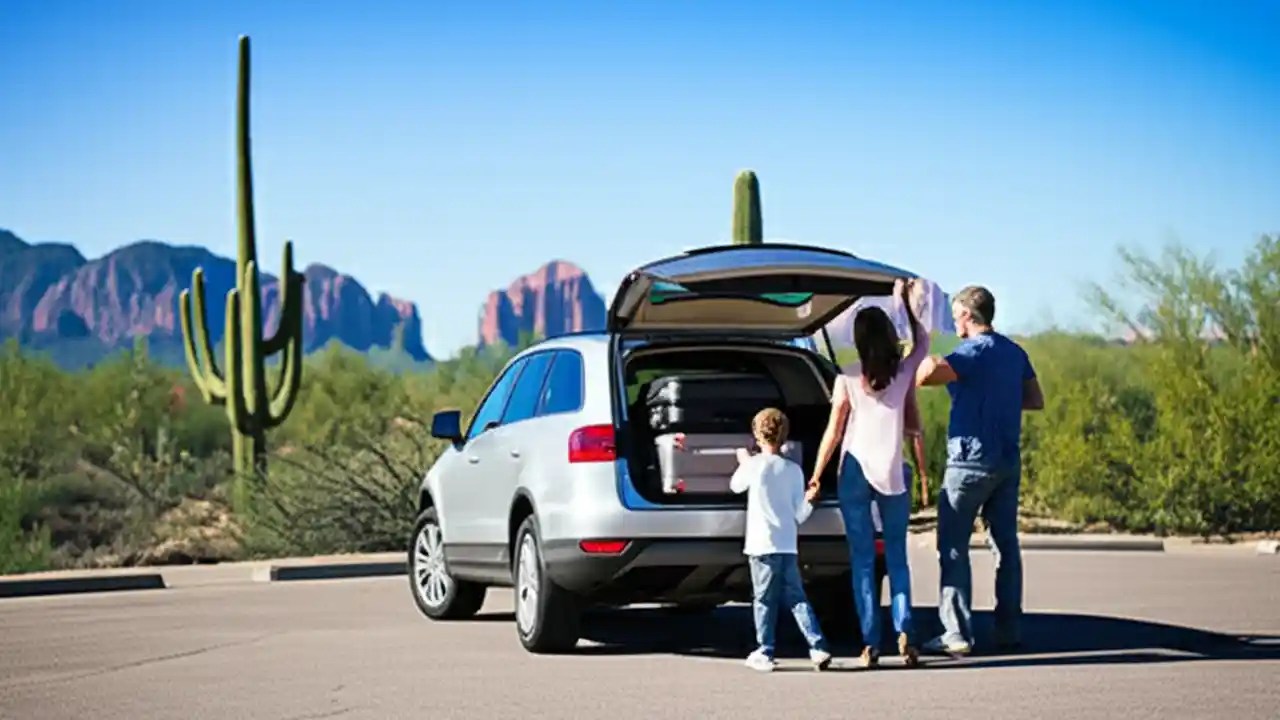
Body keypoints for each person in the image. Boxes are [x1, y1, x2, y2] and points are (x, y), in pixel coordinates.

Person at [915, 285, 1044, 656]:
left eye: (956, 316)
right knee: (1005, 544)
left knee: (953, 546)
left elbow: (927, 375)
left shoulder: (970, 352)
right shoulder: (1014, 353)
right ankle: (1009, 628)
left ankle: (955, 631)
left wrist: (924, 351)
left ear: (968, 317)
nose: (955, 323)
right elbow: (1035, 399)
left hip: (969, 461)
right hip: (1006, 457)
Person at [807, 277, 928, 669]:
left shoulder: (847, 379)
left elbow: (833, 432)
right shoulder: (904, 372)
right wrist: (908, 304)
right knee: (897, 559)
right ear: (889, 336)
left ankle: (870, 643)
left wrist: (816, 474)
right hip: (893, 471)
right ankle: (905, 629)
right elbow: (922, 342)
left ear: (858, 341)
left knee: (862, 560)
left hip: (854, 473)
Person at [730, 407, 832, 673]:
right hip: (788, 545)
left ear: (756, 434)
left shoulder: (754, 466)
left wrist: (743, 460)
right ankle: (818, 646)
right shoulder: (794, 470)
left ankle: (765, 650)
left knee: (764, 599)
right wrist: (810, 499)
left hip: (761, 545)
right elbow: (799, 515)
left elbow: (735, 486)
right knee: (797, 597)